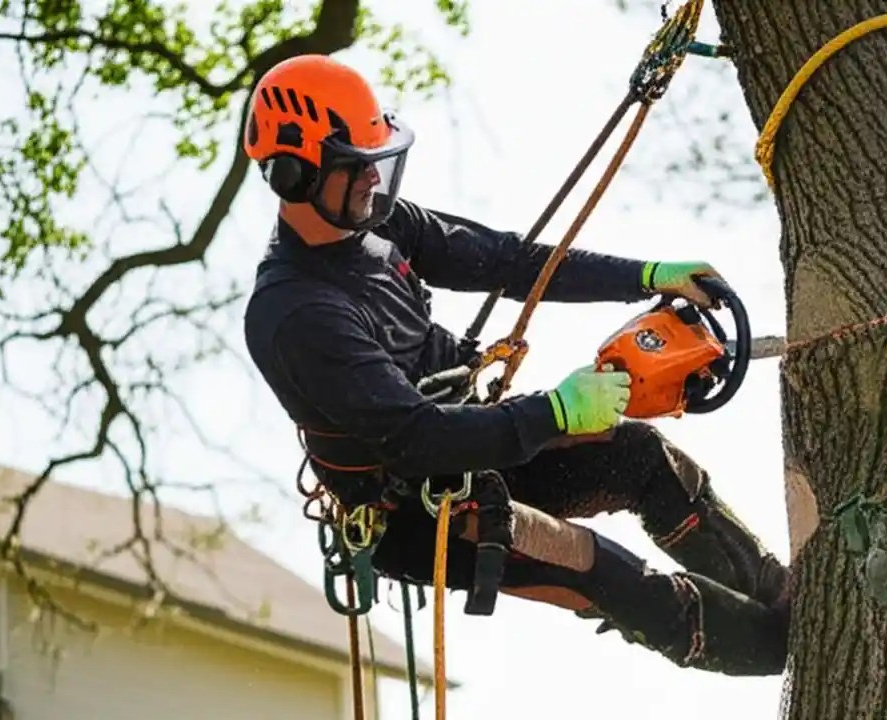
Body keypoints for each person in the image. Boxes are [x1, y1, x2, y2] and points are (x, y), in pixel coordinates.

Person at [241, 53, 789, 675]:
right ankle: (784, 650)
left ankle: (786, 597)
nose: (374, 181)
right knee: (600, 569)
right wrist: (556, 411)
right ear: (293, 176)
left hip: (477, 443)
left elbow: (505, 262)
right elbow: (418, 439)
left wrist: (645, 276)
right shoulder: (296, 315)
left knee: (641, 457)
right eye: (355, 169)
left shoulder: (379, 226)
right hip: (420, 510)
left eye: (377, 164)